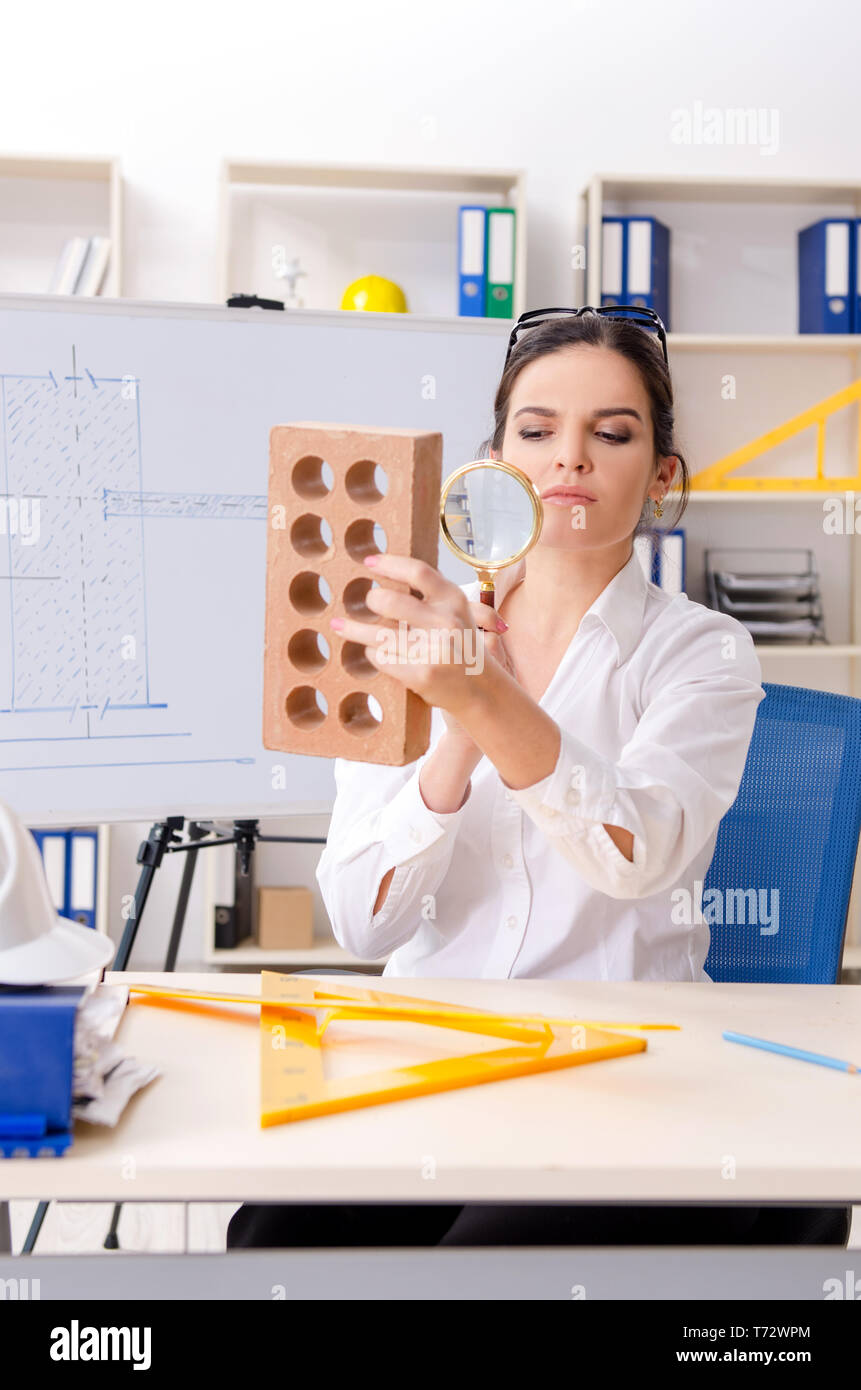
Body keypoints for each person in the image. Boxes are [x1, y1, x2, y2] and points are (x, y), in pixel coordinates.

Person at [228, 309, 851, 1250]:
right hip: (435, 1060)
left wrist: (482, 695)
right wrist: (451, 729)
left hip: (624, 1071)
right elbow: (364, 924)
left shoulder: (701, 653)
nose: (570, 459)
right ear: (492, 462)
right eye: (537, 430)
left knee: (475, 1272)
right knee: (271, 1242)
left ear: (660, 476)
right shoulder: (410, 634)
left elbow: (632, 857)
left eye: (612, 433)